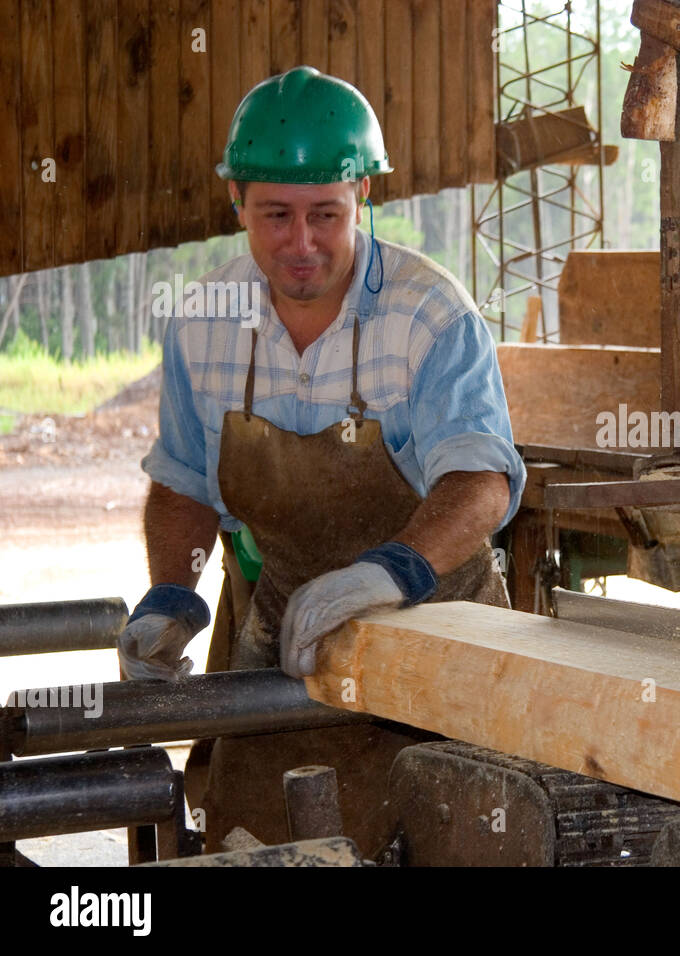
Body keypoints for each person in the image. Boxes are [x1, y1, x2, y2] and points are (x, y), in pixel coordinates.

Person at [115, 65, 525, 854]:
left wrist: (389, 573)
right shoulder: (205, 323)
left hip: (435, 639)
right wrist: (170, 591)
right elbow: (183, 482)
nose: (301, 245)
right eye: (274, 215)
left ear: (364, 196)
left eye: (325, 216)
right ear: (235, 198)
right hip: (283, 654)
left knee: (454, 843)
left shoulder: (430, 315)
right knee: (258, 845)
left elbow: (480, 481)